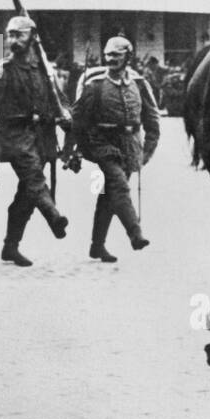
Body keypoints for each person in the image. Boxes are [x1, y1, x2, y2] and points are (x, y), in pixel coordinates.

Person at [0, 15, 71, 266]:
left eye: (19, 34)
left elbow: (57, 99)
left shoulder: (44, 71)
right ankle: (54, 216)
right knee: (34, 176)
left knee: (27, 193)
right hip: (13, 135)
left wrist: (63, 115)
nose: (13, 40)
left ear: (33, 37)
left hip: (40, 135)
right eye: (10, 35)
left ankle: (10, 246)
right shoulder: (0, 70)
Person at [73, 37, 160, 262]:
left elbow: (152, 120)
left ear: (127, 57)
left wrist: (146, 151)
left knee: (109, 196)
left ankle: (97, 245)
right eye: (108, 55)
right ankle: (135, 233)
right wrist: (85, 149)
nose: (110, 59)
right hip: (104, 144)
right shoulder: (96, 85)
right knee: (119, 187)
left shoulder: (139, 84)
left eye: (116, 55)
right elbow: (80, 121)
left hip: (130, 145)